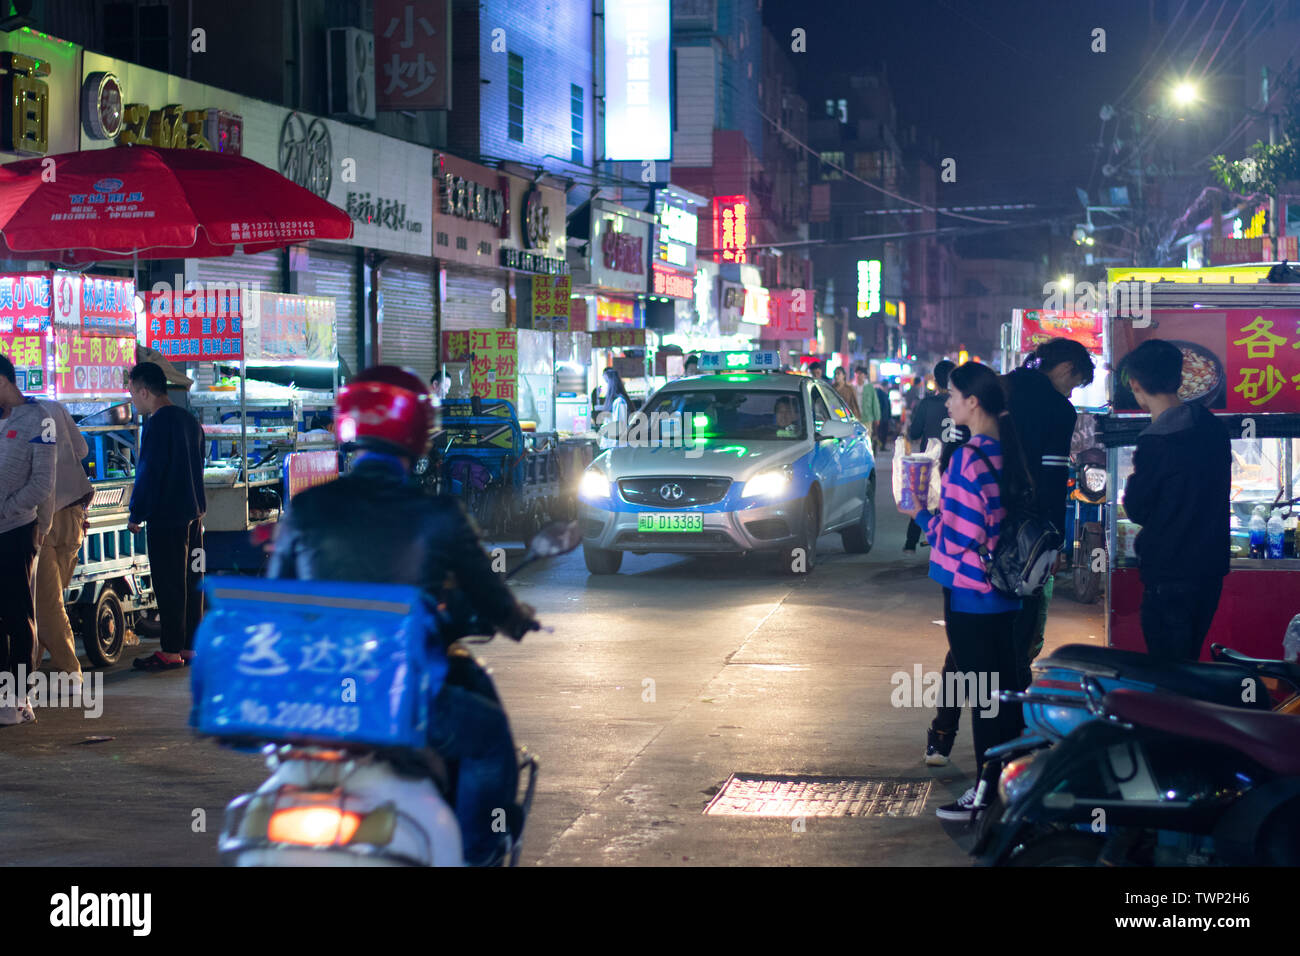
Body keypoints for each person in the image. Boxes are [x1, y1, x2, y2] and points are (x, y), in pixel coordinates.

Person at [267, 365, 539, 866]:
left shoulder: (308, 509)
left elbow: (277, 601)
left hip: (318, 702)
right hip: (403, 698)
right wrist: (516, 618)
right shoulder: (439, 515)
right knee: (488, 744)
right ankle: (479, 852)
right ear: (420, 433)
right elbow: (489, 597)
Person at [900, 361, 1034, 820]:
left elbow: (954, 537)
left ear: (972, 402)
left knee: (983, 697)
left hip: (971, 592)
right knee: (1005, 689)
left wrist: (918, 511)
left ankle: (984, 793)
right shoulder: (1007, 449)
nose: (948, 402)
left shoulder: (967, 459)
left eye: (953, 395)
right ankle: (1015, 784)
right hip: (1006, 593)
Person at [1122, 340, 1231, 660]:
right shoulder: (1211, 426)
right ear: (1180, 378)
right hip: (1210, 569)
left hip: (1170, 572)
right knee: (1189, 663)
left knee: (1169, 672)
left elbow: (1138, 508)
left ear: (1135, 385)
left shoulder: (1156, 440)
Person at [1002, 338, 1095, 688]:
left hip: (986, 523)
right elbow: (1053, 479)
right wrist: (1055, 541)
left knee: (987, 616)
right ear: (1067, 369)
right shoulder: (1057, 409)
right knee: (1026, 609)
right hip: (1030, 528)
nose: (1070, 394)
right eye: (1073, 384)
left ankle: (963, 721)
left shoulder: (1002, 388)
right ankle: (1014, 692)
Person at [126, 362, 207, 671]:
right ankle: (189, 647)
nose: (133, 399)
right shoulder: (190, 421)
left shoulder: (157, 425)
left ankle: (170, 651)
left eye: (133, 392)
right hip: (195, 517)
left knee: (170, 583)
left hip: (167, 518)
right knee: (192, 579)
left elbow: (149, 473)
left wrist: (137, 513)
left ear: (145, 391)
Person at [0, 355, 56, 725]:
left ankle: (19, 697)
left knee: (20, 617)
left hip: (16, 530)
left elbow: (43, 483)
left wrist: (6, 509)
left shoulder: (41, 420)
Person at [34, 399, 94, 683]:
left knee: (46, 605)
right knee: (47, 602)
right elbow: (82, 450)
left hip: (41, 520)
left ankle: (71, 674)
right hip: (72, 513)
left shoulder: (13, 420)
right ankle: (26, 673)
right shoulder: (55, 407)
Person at [904, 360, 964, 553]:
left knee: (920, 500)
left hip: (929, 462)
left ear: (936, 382)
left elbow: (914, 432)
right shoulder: (962, 404)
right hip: (954, 462)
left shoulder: (927, 404)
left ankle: (910, 542)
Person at [598, 367, 630, 447]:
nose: (601, 388)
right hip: (610, 446)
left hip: (615, 448)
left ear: (610, 384)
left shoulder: (619, 402)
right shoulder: (614, 402)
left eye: (605, 383)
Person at [853, 367, 880, 442]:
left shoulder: (869, 387)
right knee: (856, 440)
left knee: (866, 438)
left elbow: (875, 403)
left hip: (867, 417)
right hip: (855, 418)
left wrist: (877, 417)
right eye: (856, 373)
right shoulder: (852, 387)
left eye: (860, 374)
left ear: (865, 375)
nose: (858, 375)